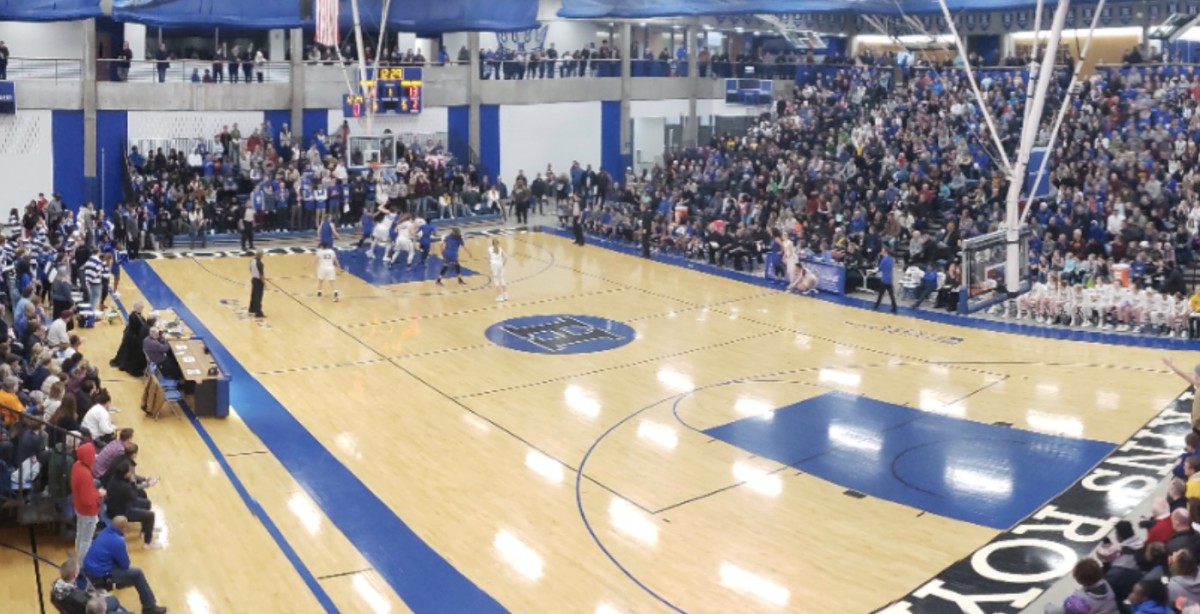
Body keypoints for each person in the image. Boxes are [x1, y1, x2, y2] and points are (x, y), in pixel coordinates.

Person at [81, 516, 168, 613]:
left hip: (88, 568)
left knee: (116, 562)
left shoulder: (104, 532)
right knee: (137, 574)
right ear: (123, 528)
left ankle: (121, 583)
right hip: (100, 575)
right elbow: (125, 564)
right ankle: (149, 606)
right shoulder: (118, 541)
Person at [50, 557, 129, 614]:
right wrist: (100, 595)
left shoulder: (55, 589)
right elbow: (93, 606)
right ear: (75, 575)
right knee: (114, 601)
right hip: (88, 609)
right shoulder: (78, 597)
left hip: (71, 609)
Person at [1044, 557, 1119, 613]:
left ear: (1079, 579)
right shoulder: (1105, 583)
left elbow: (1060, 612)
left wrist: (1048, 607)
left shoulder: (1079, 601)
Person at [71, 440, 104, 562]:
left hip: (78, 507)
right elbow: (87, 499)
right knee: (86, 539)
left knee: (80, 534)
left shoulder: (77, 465)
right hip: (87, 511)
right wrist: (98, 494)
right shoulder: (85, 474)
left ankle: (77, 557)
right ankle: (82, 564)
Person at [1163, 357, 1200, 426]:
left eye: (1196, 375)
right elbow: (1184, 375)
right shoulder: (1198, 384)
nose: (1194, 376)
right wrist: (1170, 365)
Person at [873, 246, 897, 313]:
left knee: (881, 294)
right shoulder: (892, 259)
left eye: (882, 251)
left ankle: (876, 305)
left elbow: (879, 268)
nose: (881, 252)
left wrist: (875, 270)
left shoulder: (884, 260)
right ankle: (894, 307)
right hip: (889, 279)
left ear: (885, 252)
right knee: (891, 294)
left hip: (884, 279)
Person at [248, 250, 265, 319]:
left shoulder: (252, 261)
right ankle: (258, 312)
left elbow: (250, 269)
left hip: (253, 279)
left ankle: (251, 309)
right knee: (258, 297)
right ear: (260, 255)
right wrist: (264, 283)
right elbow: (261, 275)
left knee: (253, 295)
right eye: (262, 254)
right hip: (258, 281)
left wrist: (253, 274)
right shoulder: (260, 263)